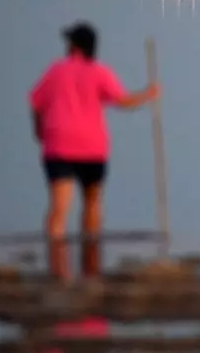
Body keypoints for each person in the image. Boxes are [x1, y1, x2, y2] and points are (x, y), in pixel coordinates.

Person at [29, 22, 159, 279]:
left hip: (59, 146)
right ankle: (91, 266)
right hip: (92, 148)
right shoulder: (100, 73)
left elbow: (36, 102)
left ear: (75, 46)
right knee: (92, 202)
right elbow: (123, 101)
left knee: (59, 208)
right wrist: (149, 94)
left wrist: (39, 130)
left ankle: (57, 268)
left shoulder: (56, 72)